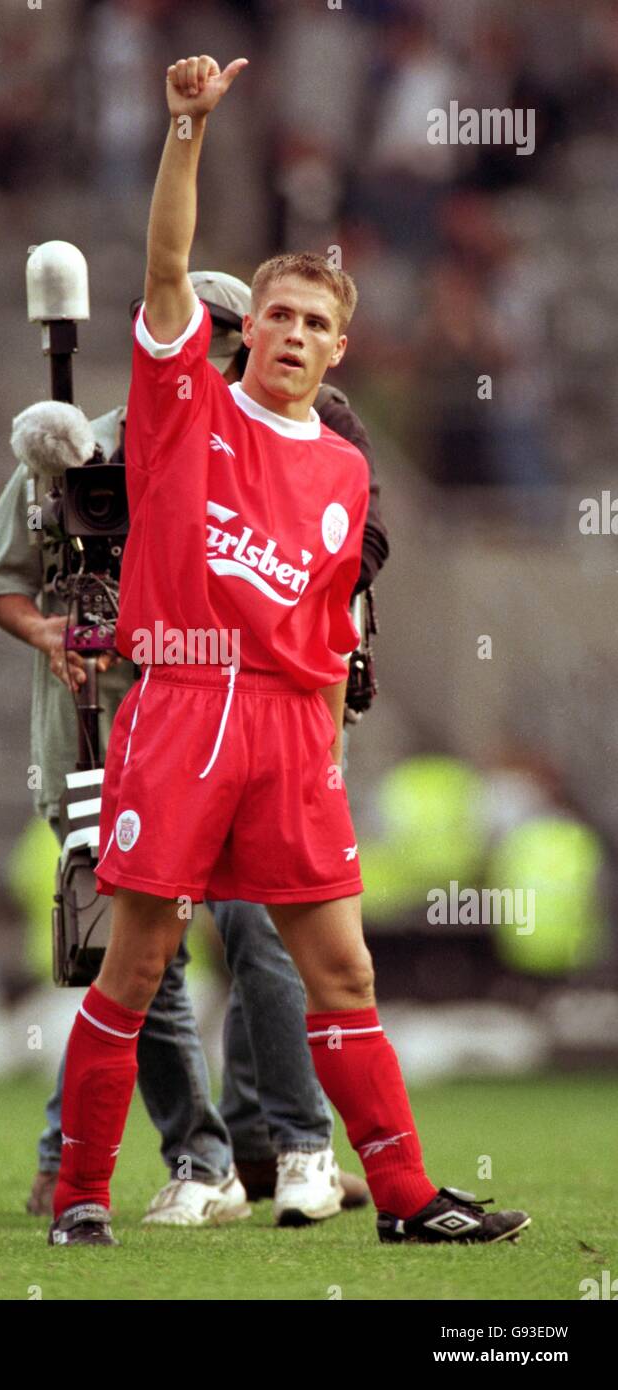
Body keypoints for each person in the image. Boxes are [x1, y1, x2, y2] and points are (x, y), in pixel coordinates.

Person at [47, 53, 530, 1249]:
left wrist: (318, 736)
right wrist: (185, 133)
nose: (294, 335)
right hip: (188, 698)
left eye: (317, 322)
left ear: (336, 350)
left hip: (289, 725)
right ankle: (80, 1197)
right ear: (243, 329)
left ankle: (407, 1198)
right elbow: (165, 268)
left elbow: (325, 623)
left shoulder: (347, 469)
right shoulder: (184, 406)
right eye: (277, 316)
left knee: (344, 974)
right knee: (140, 963)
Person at [0, 262, 386, 1226]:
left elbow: (360, 545)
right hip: (117, 727)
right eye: (220, 327)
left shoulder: (311, 434)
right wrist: (52, 636)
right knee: (132, 952)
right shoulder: (93, 447)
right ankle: (186, 1155)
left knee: (265, 938)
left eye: (240, 327)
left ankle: (278, 1143)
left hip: (254, 723)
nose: (233, 343)